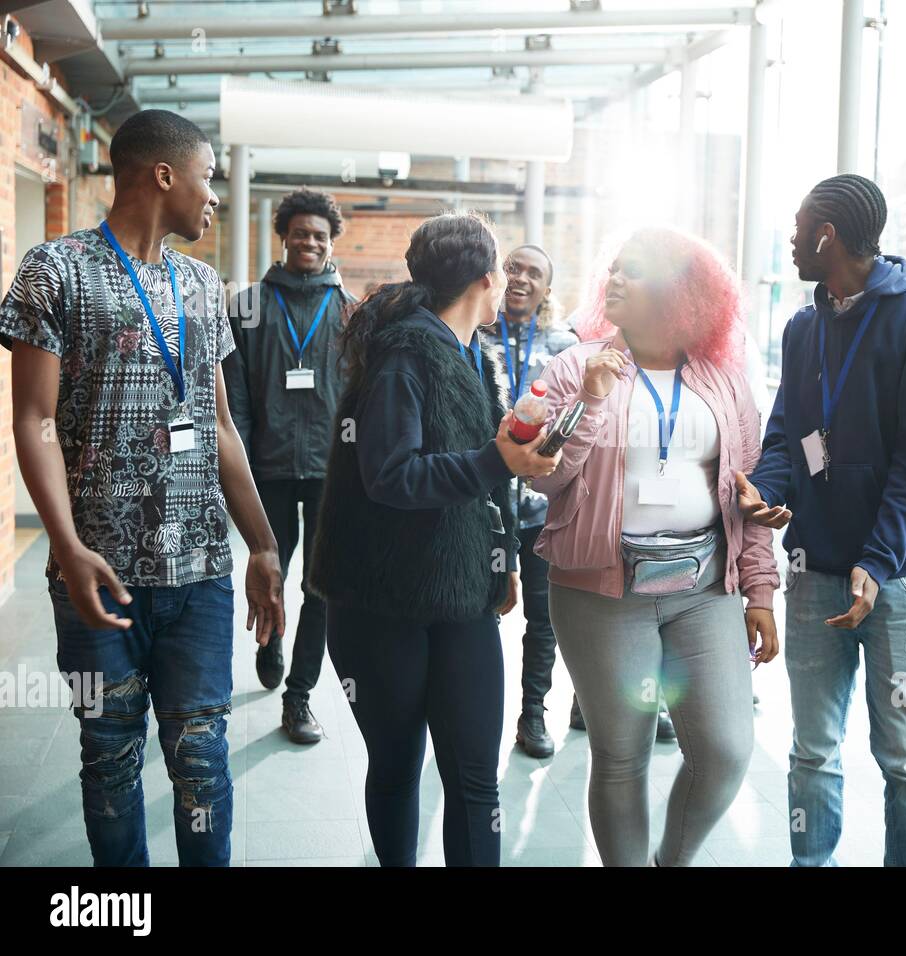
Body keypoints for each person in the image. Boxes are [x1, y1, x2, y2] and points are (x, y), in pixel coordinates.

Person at [1, 109, 285, 866]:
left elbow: (220, 426)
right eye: (208, 177)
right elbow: (31, 423)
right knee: (111, 758)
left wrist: (262, 543)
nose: (214, 195)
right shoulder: (52, 270)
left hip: (199, 575)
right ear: (165, 176)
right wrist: (64, 545)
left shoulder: (200, 283)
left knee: (201, 760)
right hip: (99, 578)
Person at [307, 213, 559, 867]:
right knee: (397, 763)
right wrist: (498, 463)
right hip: (381, 599)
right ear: (485, 277)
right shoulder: (407, 352)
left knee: (475, 774)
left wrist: (499, 559)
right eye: (504, 266)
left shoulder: (468, 348)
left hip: (458, 593)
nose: (508, 279)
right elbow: (391, 475)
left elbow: (486, 472)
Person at [736, 174, 906, 867]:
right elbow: (786, 434)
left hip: (897, 583)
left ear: (826, 235)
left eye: (799, 227)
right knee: (811, 751)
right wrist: (766, 490)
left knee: (905, 758)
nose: (791, 240)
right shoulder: (804, 329)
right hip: (814, 576)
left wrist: (877, 562)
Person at [531, 227, 780, 867]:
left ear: (681, 293)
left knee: (725, 749)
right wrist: (588, 401)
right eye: (613, 269)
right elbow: (544, 474)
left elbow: (746, 490)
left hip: (704, 589)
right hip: (602, 591)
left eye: (634, 272)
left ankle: (671, 860)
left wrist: (759, 589)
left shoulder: (723, 380)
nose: (614, 279)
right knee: (621, 752)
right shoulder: (573, 365)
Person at [223, 187, 356, 744]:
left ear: (330, 244)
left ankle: (299, 697)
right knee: (270, 572)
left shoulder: (350, 311)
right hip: (269, 471)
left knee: (320, 587)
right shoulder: (249, 305)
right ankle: (270, 638)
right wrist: (244, 469)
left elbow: (359, 396)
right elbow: (236, 394)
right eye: (300, 232)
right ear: (284, 236)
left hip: (330, 472)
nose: (309, 242)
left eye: (319, 236)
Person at [481, 243, 576, 758]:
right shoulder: (475, 335)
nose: (520, 278)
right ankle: (475, 713)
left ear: (546, 288)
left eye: (533, 273)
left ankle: (533, 714)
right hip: (487, 506)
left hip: (542, 510)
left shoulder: (563, 346)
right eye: (512, 268)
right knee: (482, 614)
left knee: (543, 618)